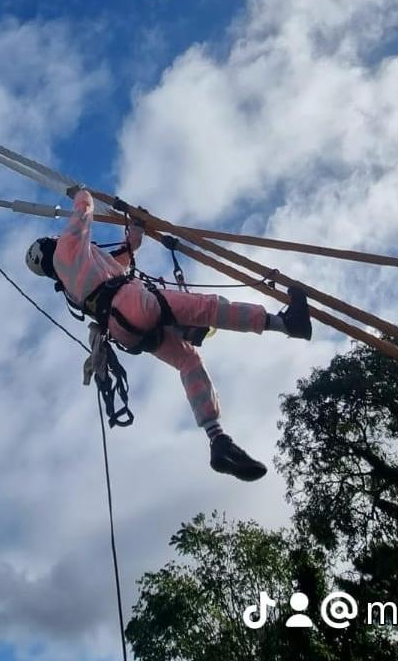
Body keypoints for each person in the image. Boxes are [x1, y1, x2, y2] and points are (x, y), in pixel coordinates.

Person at [25, 187, 312, 482]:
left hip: (126, 329)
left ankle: (218, 440)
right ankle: (287, 324)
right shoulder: (64, 252)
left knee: (188, 361)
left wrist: (134, 234)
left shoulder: (71, 285)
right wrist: (79, 191)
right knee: (207, 309)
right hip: (134, 305)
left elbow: (115, 265)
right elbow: (83, 210)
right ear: (48, 248)